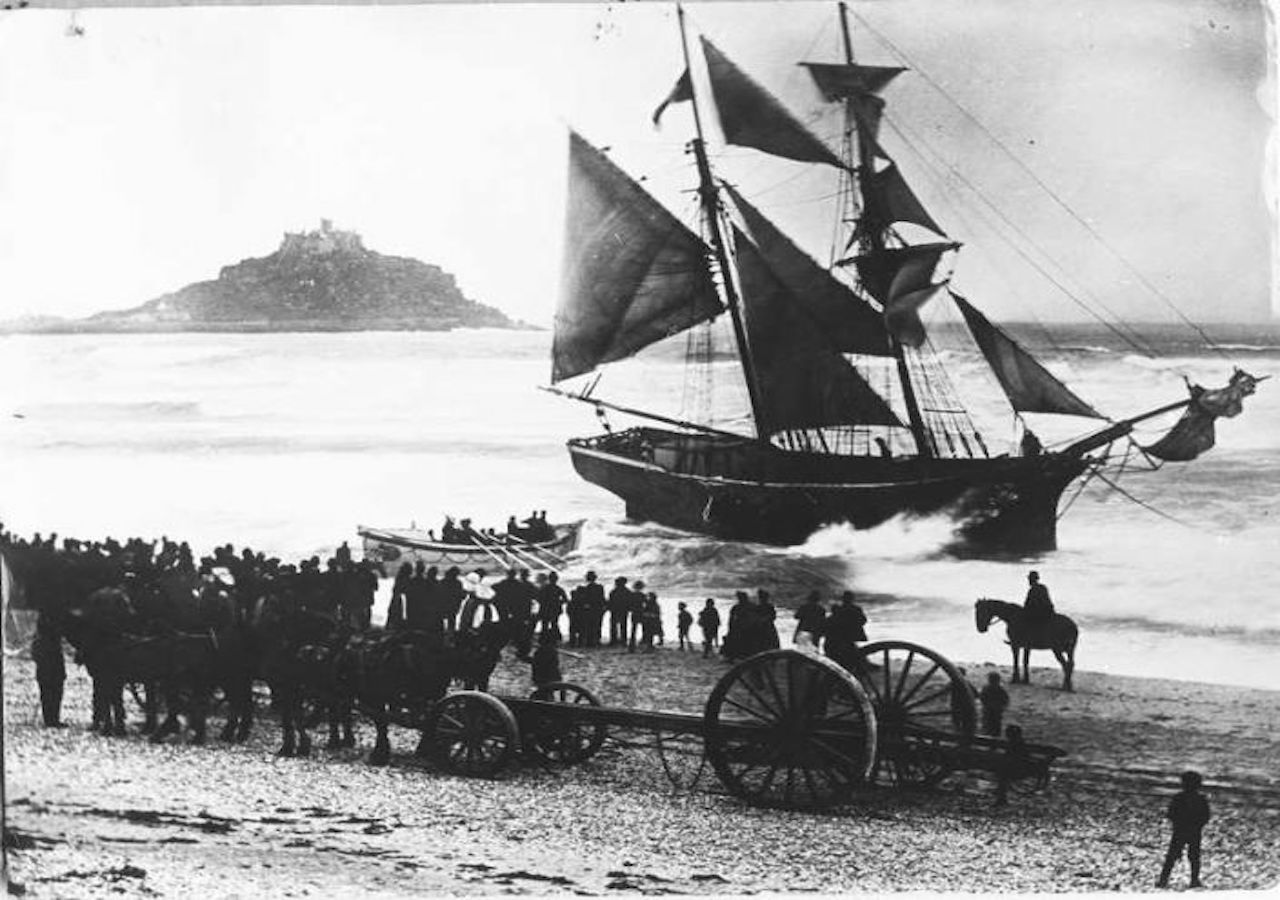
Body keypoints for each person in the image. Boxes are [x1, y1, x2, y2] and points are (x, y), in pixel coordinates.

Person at [1158, 770, 1211, 888]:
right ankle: (1194, 880)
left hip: (1180, 830)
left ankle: (1163, 879)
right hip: (1194, 830)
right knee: (1194, 857)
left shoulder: (1179, 798)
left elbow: (1171, 814)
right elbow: (1206, 816)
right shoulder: (1200, 799)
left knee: (1172, 856)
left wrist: (1177, 823)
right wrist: (1198, 825)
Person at [31, 611, 67, 728]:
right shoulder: (51, 639)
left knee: (47, 691)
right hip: (52, 662)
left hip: (47, 664)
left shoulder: (39, 639)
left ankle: (50, 719)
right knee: (54, 690)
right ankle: (53, 719)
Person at [823, 590, 868, 675]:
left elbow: (832, 623)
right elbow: (863, 620)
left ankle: (855, 667)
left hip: (840, 635)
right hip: (852, 634)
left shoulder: (840, 609)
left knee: (846, 651)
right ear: (852, 599)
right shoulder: (856, 609)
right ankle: (860, 668)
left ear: (843, 599)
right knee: (852, 650)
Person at [994, 724, 1031, 807]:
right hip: (1019, 768)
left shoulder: (1012, 745)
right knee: (1003, 771)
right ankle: (1001, 798)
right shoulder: (1021, 744)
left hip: (1014, 769)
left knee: (1003, 772)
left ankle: (1001, 798)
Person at [978, 672, 1010, 738]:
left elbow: (982, 697)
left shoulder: (986, 688)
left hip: (989, 710)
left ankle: (988, 737)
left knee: (988, 725)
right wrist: (1003, 707)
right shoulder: (1000, 689)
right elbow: (1005, 700)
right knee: (995, 725)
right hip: (995, 710)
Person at [607, 577, 631, 647]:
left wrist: (609, 608)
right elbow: (629, 602)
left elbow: (610, 602)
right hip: (623, 611)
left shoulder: (613, 592)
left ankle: (613, 640)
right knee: (623, 626)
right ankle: (623, 641)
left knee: (613, 626)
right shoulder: (627, 591)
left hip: (615, 610)